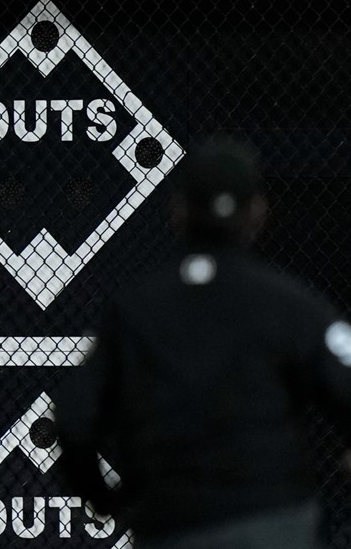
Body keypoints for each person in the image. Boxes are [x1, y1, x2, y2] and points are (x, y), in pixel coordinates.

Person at [56, 138, 351, 549]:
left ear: (177, 212)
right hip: (272, 519)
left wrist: (103, 497)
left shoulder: (136, 310)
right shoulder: (291, 303)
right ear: (257, 214)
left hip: (174, 523)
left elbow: (74, 417)